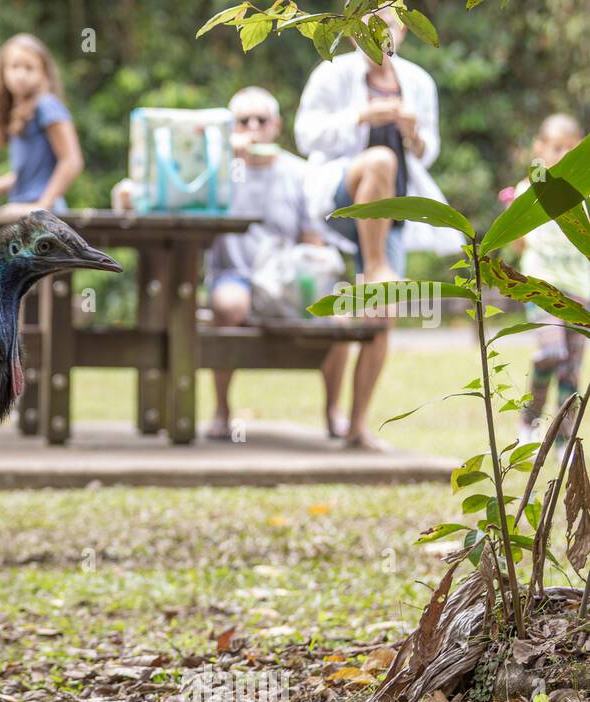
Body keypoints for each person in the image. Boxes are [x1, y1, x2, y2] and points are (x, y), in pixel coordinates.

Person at [112, 87, 342, 440]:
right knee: (229, 305)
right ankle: (221, 410)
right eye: (242, 121)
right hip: (235, 277)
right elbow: (175, 204)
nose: (252, 127)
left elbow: (313, 239)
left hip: (285, 279)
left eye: (261, 120)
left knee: (340, 314)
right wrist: (220, 161)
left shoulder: (299, 173)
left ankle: (332, 413)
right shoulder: (213, 172)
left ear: (276, 126)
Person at [294, 7, 457, 449]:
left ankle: (357, 425)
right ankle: (331, 408)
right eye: (364, 30)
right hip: (339, 203)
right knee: (379, 162)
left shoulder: (419, 82)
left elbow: (428, 152)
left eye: (383, 28)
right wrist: (362, 118)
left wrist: (413, 134)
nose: (375, 38)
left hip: (392, 213)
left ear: (401, 32)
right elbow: (306, 136)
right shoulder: (332, 76)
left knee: (377, 315)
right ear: (350, 36)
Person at [512, 114, 590, 444]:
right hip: (541, 287)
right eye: (556, 148)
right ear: (539, 148)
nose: (562, 156)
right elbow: (517, 241)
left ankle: (562, 441)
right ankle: (529, 420)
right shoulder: (529, 189)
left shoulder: (584, 193)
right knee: (551, 352)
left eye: (570, 151)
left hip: (580, 290)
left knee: (570, 369)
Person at [0, 33, 83, 216]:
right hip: (23, 210)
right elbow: (29, 174)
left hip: (46, 217)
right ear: (3, 72)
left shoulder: (46, 105)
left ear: (43, 72)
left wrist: (42, 205)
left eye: (29, 68)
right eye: (14, 67)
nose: (21, 74)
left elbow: (71, 161)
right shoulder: (20, 113)